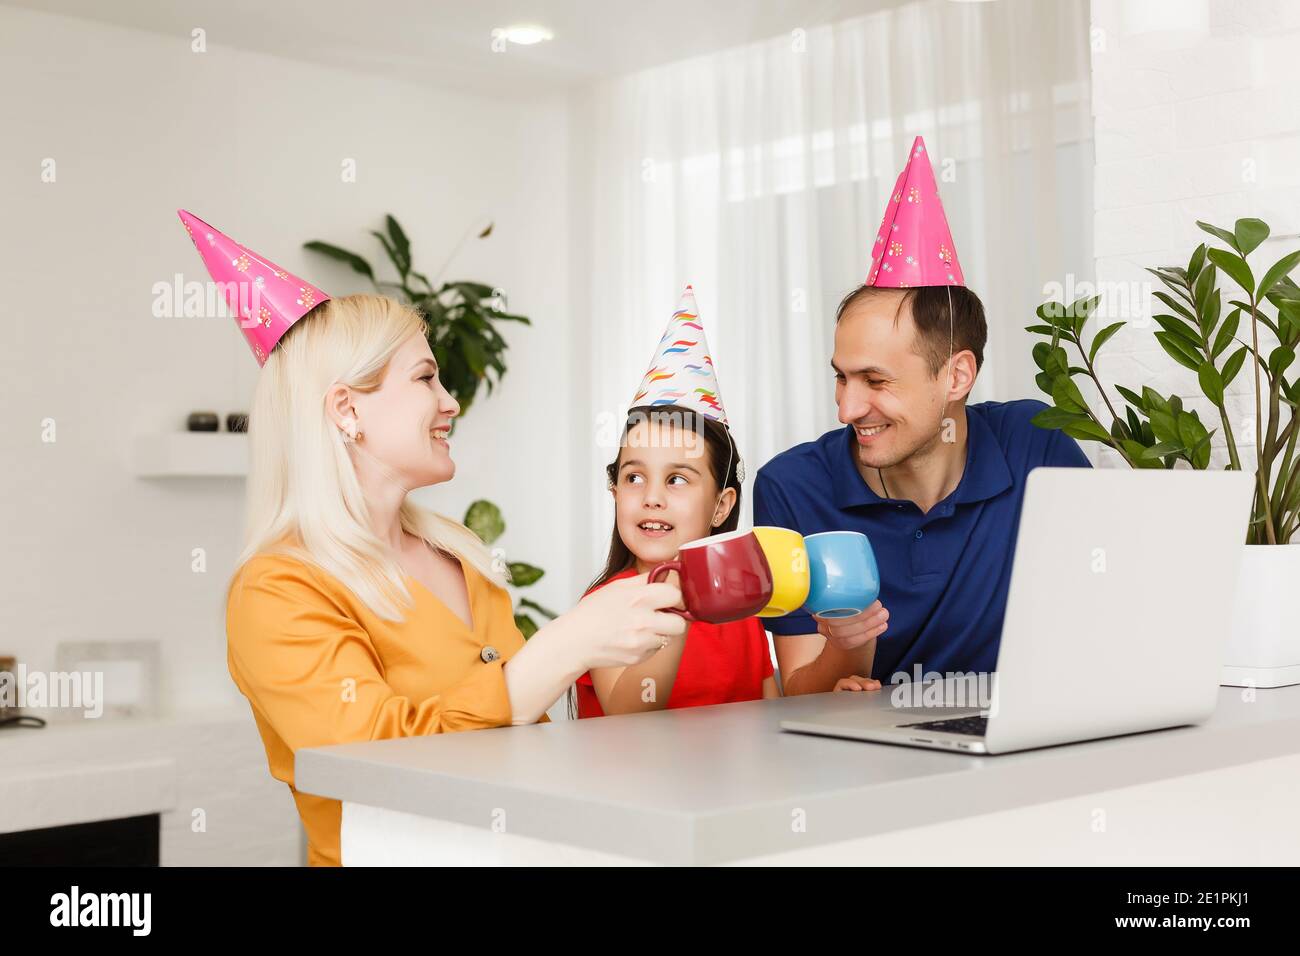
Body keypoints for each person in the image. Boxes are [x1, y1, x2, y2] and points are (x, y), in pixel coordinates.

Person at [180, 210, 686, 865]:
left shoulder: (459, 554)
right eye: (425, 378)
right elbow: (372, 761)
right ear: (346, 410)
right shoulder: (278, 589)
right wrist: (562, 647)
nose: (450, 402)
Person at [751, 137, 1091, 696]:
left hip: (1024, 744)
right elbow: (803, 698)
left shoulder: (1037, 445)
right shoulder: (793, 486)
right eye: (841, 376)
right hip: (871, 767)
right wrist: (846, 649)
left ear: (956, 376)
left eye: (876, 381)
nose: (847, 408)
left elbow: (1101, 611)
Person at [575, 287, 777, 717]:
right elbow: (630, 714)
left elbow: (770, 723)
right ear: (615, 492)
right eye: (634, 477)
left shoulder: (741, 610)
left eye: (677, 480)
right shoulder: (606, 606)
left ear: (721, 506)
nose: (651, 498)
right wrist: (672, 600)